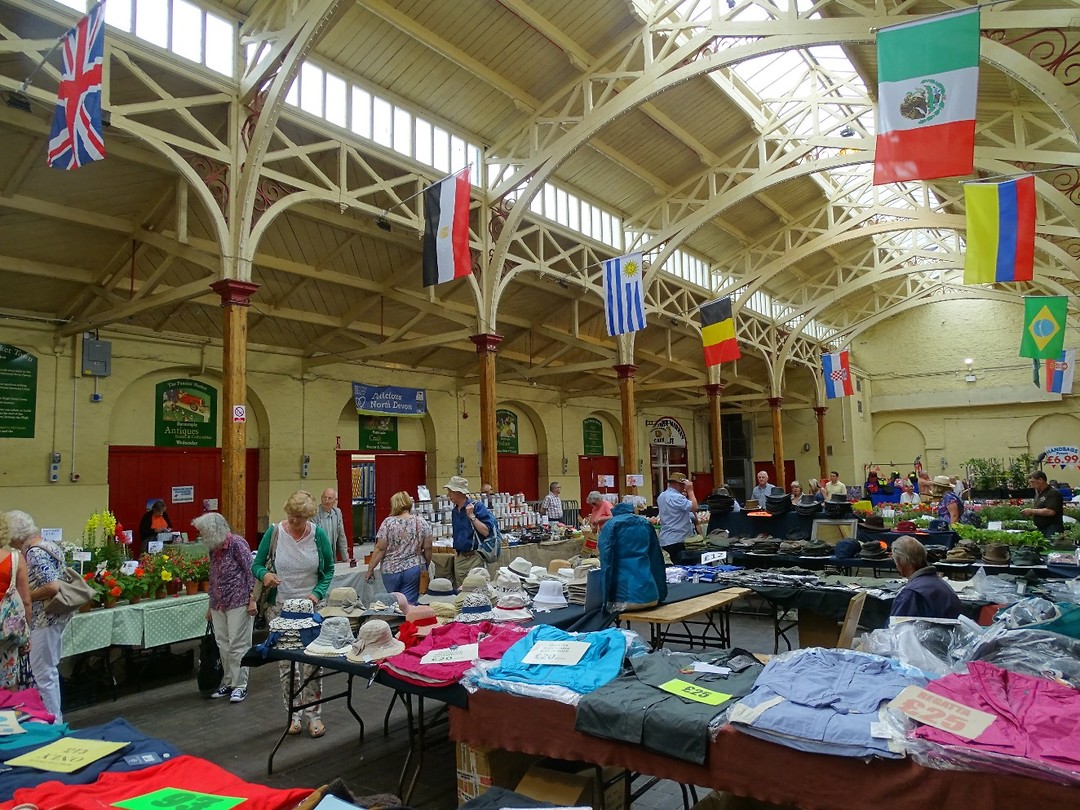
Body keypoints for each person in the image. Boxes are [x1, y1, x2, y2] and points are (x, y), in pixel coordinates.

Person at [252, 490, 335, 738]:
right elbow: (256, 564)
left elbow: (329, 569)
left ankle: (314, 715)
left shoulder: (318, 535)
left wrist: (317, 594)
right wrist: (265, 575)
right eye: (291, 516)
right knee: (287, 666)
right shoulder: (275, 533)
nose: (293, 521)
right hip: (280, 609)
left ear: (308, 517)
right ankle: (293, 714)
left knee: (313, 664)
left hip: (311, 609)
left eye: (299, 518)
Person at [7, 510, 69, 721]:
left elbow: (52, 586)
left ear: (17, 534)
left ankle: (53, 721)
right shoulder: (48, 545)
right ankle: (55, 717)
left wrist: (24, 596)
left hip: (44, 619)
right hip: (55, 617)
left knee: (43, 673)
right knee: (49, 670)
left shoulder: (34, 553)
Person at [193, 511, 255, 704]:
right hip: (219, 603)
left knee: (238, 644)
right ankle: (228, 682)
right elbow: (213, 577)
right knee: (223, 644)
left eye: (204, 531)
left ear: (214, 530)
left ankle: (240, 685)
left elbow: (251, 572)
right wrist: (210, 605)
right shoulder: (214, 549)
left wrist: (252, 599)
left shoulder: (237, 544)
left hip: (238, 600)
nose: (201, 535)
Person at [366, 491, 432, 603]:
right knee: (409, 603)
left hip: (390, 569)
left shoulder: (387, 523)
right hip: (413, 567)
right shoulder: (420, 522)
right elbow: (428, 547)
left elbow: (380, 548)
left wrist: (370, 568)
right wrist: (426, 563)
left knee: (394, 601)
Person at [890, 536, 963, 620]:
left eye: (895, 561)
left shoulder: (911, 593)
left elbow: (895, 626)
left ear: (901, 562)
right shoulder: (940, 583)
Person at [445, 476, 497, 587]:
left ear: (459, 492)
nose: (448, 495)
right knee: (461, 590)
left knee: (477, 589)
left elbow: (486, 531)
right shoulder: (455, 511)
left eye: (450, 492)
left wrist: (472, 516)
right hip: (460, 558)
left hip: (474, 557)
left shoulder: (477, 507)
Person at [0, 512, 31, 691]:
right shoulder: (15, 559)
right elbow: (26, 601)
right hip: (8, 631)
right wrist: (26, 636)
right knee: (8, 681)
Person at [656, 472, 698, 562]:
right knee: (684, 565)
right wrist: (690, 491)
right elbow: (694, 507)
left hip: (667, 538)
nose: (684, 488)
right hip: (679, 538)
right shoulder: (677, 497)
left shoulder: (662, 496)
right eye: (683, 485)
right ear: (678, 484)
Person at [1022, 471, 1065, 540]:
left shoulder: (1053, 493)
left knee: (1050, 545)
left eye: (1032, 482)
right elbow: (1039, 508)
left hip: (1052, 528)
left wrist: (1031, 511)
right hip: (1041, 528)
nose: (1031, 485)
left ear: (1040, 480)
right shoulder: (1038, 493)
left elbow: (1051, 511)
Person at [314, 488, 349, 562]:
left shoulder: (337, 513)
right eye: (324, 498)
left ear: (335, 501)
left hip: (331, 557)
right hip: (317, 557)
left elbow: (341, 536)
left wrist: (346, 559)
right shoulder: (314, 514)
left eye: (330, 498)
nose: (326, 501)